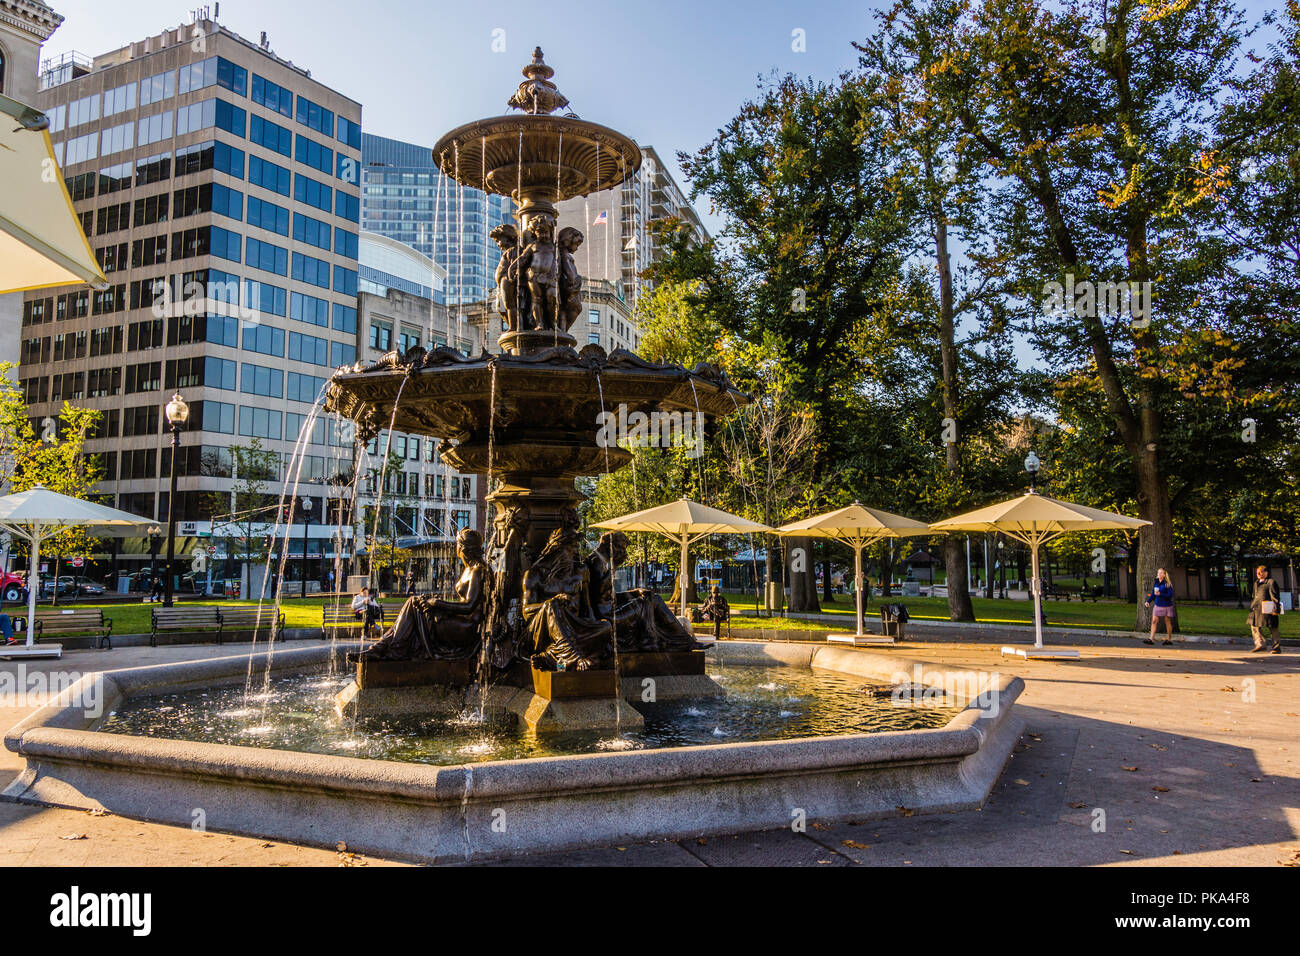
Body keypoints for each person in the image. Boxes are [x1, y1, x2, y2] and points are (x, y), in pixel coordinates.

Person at [1249, 565, 1284, 654]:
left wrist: (1276, 608)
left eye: (1261, 571)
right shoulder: (1256, 583)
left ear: (1266, 573)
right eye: (1257, 572)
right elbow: (1254, 596)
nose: (1258, 574)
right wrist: (1252, 605)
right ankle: (1260, 644)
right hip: (1256, 609)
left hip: (1268, 609)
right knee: (1254, 626)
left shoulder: (1271, 582)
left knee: (1273, 627)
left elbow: (1275, 596)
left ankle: (1276, 648)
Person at [1143, 568, 1175, 645]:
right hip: (1158, 605)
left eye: (1161, 573)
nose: (1159, 574)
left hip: (1167, 605)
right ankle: (1151, 639)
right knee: (1154, 621)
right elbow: (1153, 594)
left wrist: (1161, 594)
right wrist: (1148, 601)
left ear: (1164, 575)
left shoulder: (1167, 584)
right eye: (1158, 573)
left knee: (1167, 621)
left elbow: (1170, 595)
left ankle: (1169, 639)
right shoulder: (1156, 582)